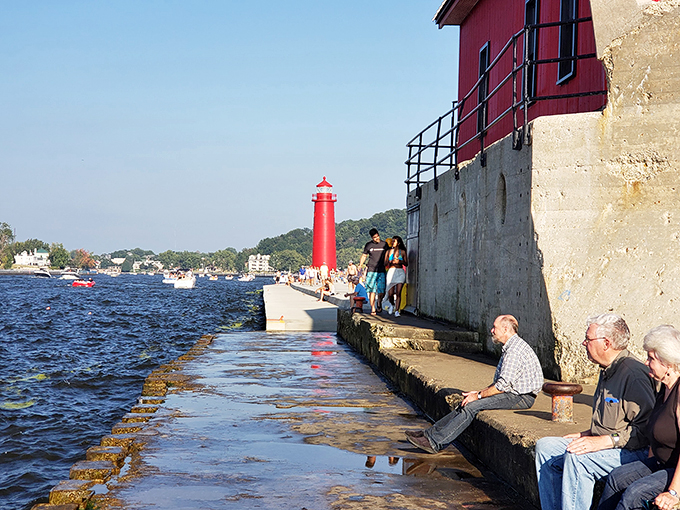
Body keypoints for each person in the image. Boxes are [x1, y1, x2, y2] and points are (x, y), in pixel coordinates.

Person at [535, 313, 656, 510]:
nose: (584, 343)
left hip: (631, 451)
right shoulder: (607, 369)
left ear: (606, 343)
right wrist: (587, 434)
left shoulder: (632, 375)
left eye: (588, 338)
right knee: (546, 447)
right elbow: (610, 419)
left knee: (577, 459)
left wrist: (603, 441)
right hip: (608, 443)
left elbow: (644, 431)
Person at [406, 314, 544, 454]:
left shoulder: (514, 350)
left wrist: (478, 396)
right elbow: (501, 383)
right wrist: (477, 393)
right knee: (465, 402)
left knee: (471, 407)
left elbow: (502, 386)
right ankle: (429, 434)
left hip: (521, 397)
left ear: (505, 329)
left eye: (494, 327)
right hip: (513, 393)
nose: (491, 330)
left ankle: (435, 443)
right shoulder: (512, 346)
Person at [598, 325, 680, 510]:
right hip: (661, 464)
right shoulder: (663, 388)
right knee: (616, 477)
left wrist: (674, 492)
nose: (645, 362)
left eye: (651, 358)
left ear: (667, 363)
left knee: (635, 493)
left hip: (676, 471)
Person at [358, 228, 388, 315]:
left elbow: (389, 254)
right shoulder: (369, 245)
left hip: (381, 270)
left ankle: (379, 302)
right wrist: (360, 264)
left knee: (382, 290)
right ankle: (373, 308)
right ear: (372, 238)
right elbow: (364, 255)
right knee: (372, 290)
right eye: (375, 237)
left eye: (377, 236)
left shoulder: (384, 244)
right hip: (371, 269)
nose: (377, 238)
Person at [382, 235, 408, 317]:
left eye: (394, 241)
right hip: (391, 271)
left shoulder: (402, 252)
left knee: (398, 292)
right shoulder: (388, 252)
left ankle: (397, 310)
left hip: (400, 271)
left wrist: (400, 261)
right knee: (390, 292)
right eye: (392, 241)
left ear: (398, 243)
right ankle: (391, 304)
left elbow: (406, 263)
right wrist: (391, 262)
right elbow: (385, 263)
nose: (392, 243)